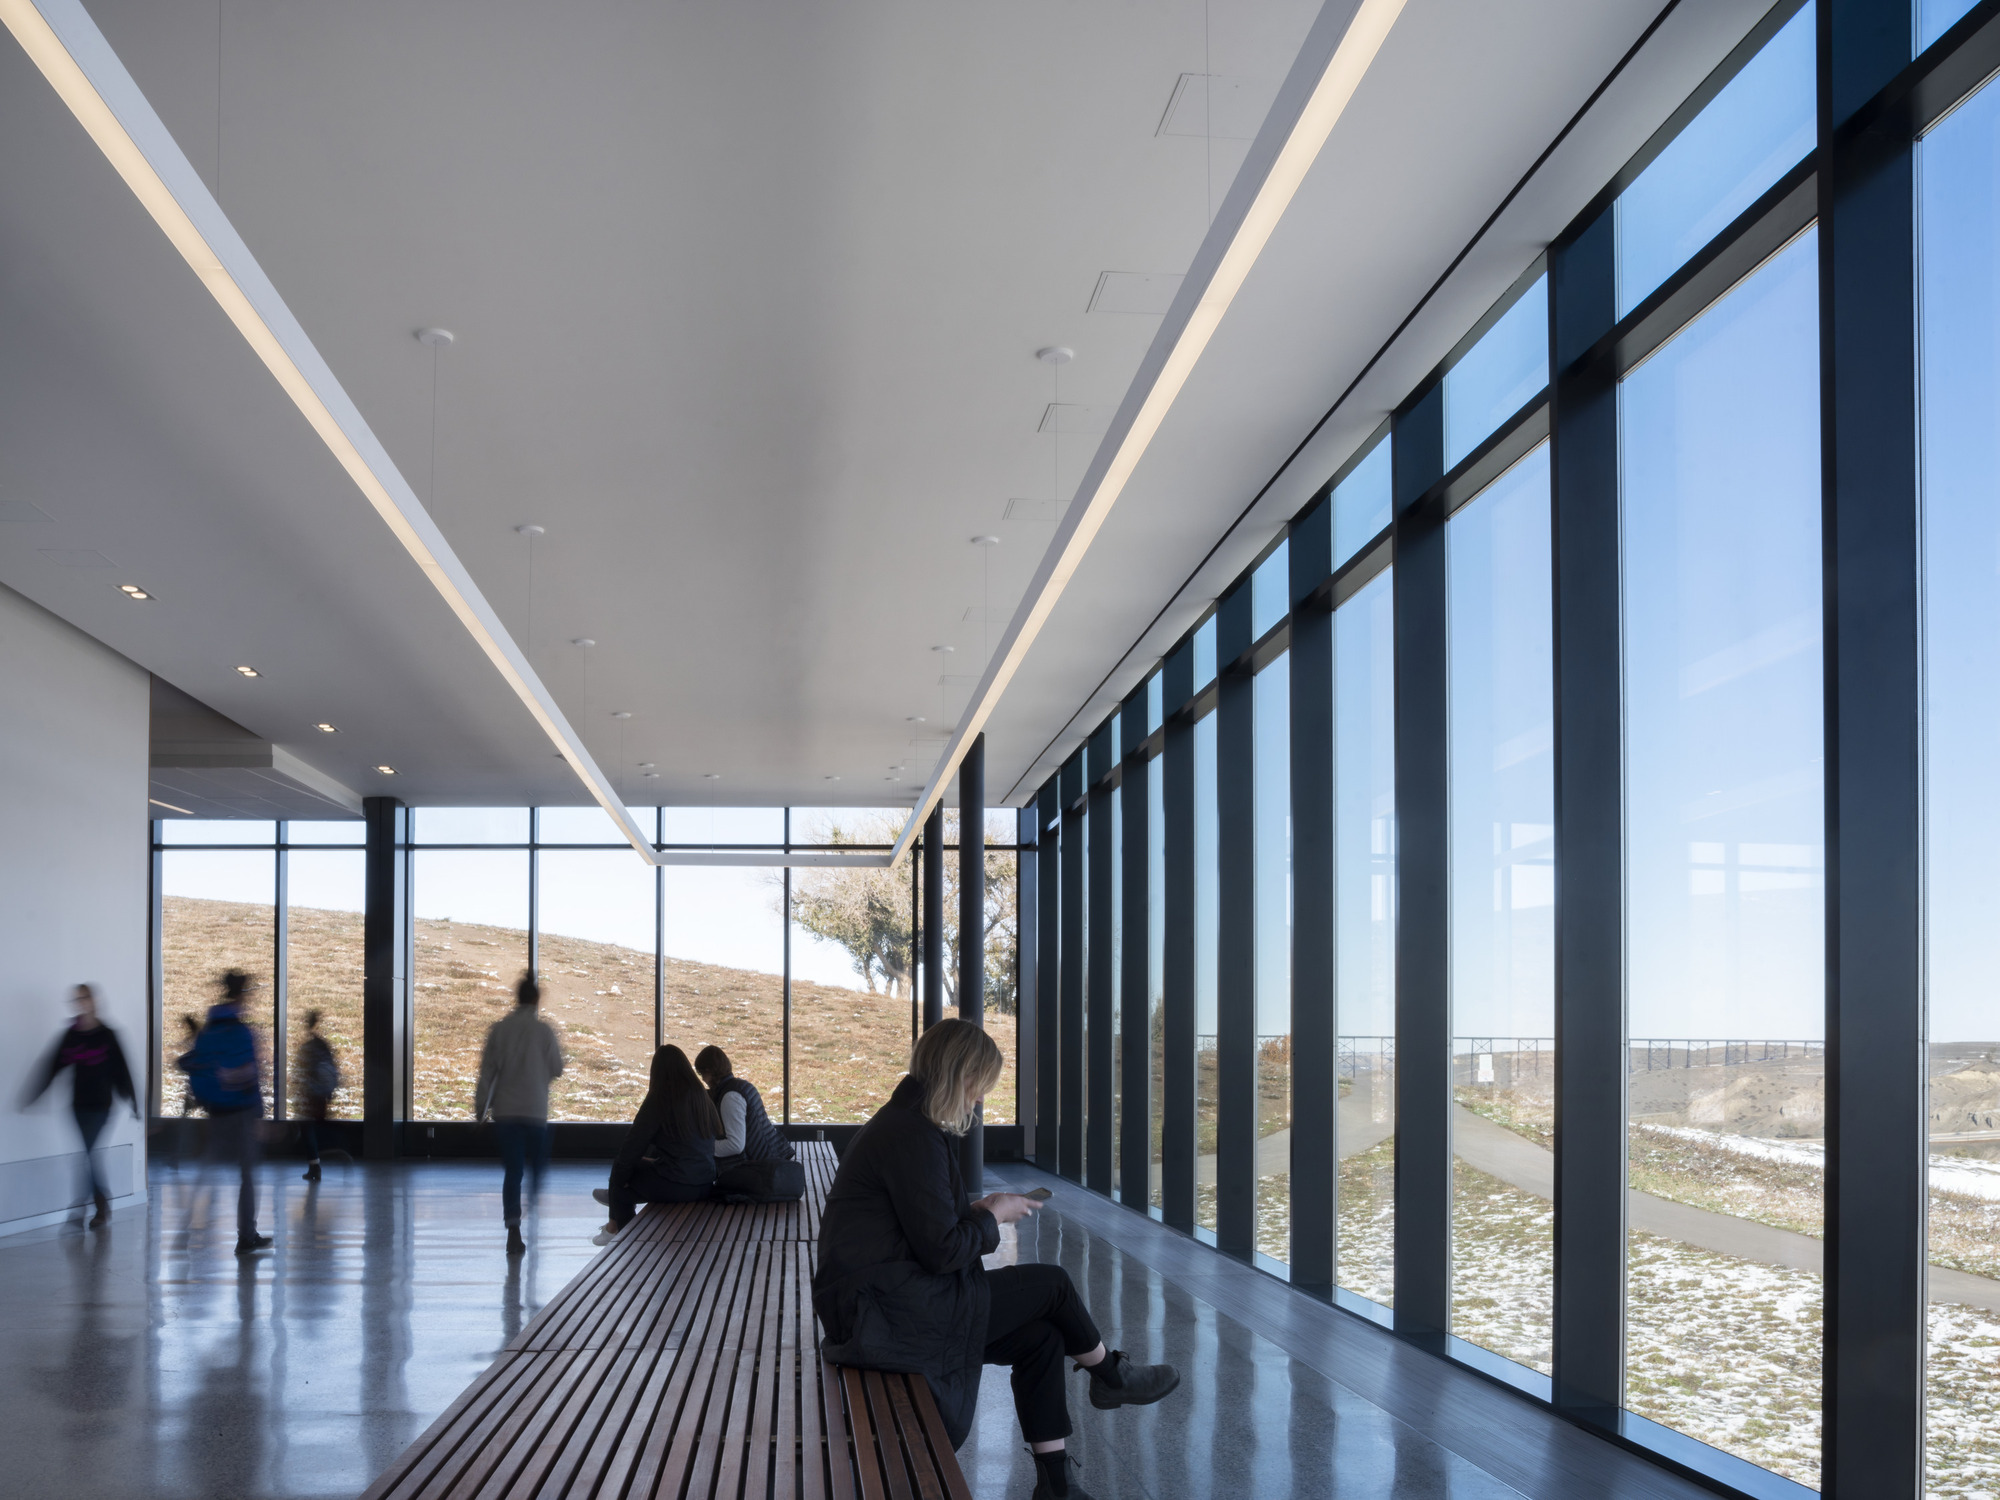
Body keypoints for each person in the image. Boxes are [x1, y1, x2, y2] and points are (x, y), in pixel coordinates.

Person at [814, 1018, 1178, 1500]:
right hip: (882, 1315)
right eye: (979, 1085)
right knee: (1053, 1284)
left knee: (1043, 1338)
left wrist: (977, 1209)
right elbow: (943, 1252)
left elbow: (918, 1226)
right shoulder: (912, 1136)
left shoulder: (905, 1125)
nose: (980, 1099)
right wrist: (995, 1219)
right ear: (956, 1073)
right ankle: (1111, 1375)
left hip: (882, 1299)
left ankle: (1057, 1485)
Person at [24, 984, 137, 1228]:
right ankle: (95, 1204)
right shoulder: (72, 1034)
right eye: (76, 999)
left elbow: (122, 1070)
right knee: (87, 1156)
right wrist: (34, 1095)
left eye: (84, 998)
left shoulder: (107, 1034)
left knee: (88, 1156)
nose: (80, 1003)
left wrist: (133, 1102)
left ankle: (90, 1207)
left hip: (101, 1106)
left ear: (93, 1001)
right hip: (77, 1105)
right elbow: (53, 1065)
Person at [590, 1044, 723, 1245]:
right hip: (705, 1181)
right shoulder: (701, 1096)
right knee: (628, 1170)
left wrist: (619, 1181)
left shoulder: (661, 1097)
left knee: (622, 1182)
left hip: (678, 1183)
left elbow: (632, 1146)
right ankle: (613, 1221)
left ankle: (622, 1236)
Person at [180, 970, 272, 1255]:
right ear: (243, 994)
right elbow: (253, 1075)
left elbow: (187, 1063)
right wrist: (260, 1114)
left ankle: (185, 1228)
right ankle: (246, 1236)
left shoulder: (208, 1031)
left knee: (206, 1171)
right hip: (242, 1112)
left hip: (216, 1111)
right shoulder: (244, 1032)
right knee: (247, 1175)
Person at [476, 973, 564, 1255]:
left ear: (517, 997)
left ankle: (513, 1228)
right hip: (535, 1110)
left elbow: (487, 1073)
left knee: (512, 1171)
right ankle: (533, 1199)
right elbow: (557, 1068)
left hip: (506, 1112)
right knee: (537, 1164)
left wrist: (480, 1111)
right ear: (537, 1000)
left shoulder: (499, 1030)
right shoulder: (545, 1032)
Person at [693, 1044, 793, 1165]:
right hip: (772, 1155)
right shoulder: (742, 1086)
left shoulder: (730, 1097)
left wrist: (701, 1146)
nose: (703, 1079)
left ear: (710, 1071)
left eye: (702, 1073)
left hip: (761, 1167)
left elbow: (734, 1145)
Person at [294, 1010, 340, 1182]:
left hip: (312, 1094)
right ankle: (316, 1164)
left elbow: (302, 1072)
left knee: (308, 1129)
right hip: (322, 1094)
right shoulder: (323, 1045)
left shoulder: (308, 1047)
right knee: (314, 1127)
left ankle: (315, 1166)